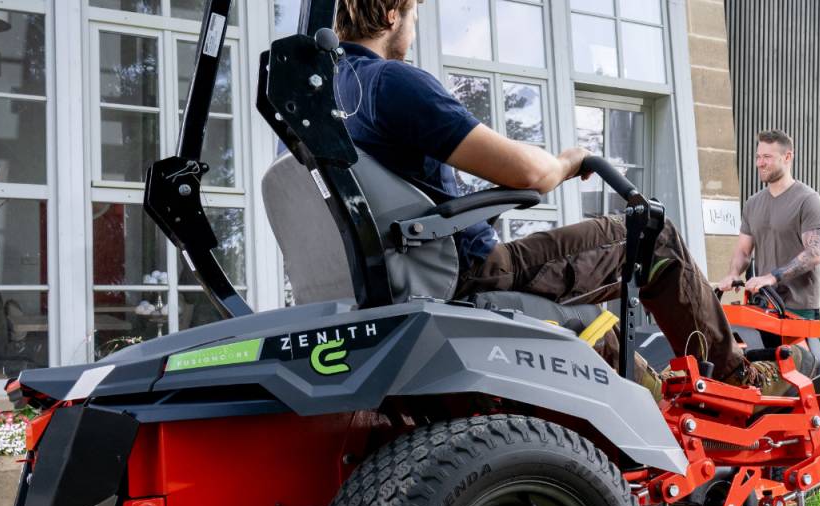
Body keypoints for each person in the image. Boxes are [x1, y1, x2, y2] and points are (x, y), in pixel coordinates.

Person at [330, 0, 778, 392]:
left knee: (600, 323)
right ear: (392, 14)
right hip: (470, 272)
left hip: (399, 277)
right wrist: (567, 162)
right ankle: (736, 380)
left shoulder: (322, 101)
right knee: (653, 237)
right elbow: (531, 173)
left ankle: (651, 389)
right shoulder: (391, 82)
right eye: (412, 15)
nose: (412, 29)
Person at [715, 130, 820, 321]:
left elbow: (814, 254)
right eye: (758, 157)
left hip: (798, 310)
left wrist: (772, 277)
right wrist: (733, 273)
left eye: (767, 157)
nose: (760, 163)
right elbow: (743, 251)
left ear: (787, 157)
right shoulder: (753, 203)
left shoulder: (808, 200)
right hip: (761, 305)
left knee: (797, 353)